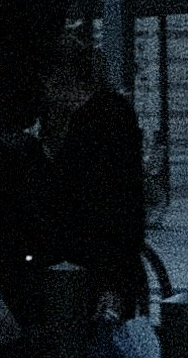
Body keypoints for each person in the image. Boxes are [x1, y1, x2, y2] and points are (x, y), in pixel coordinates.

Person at [36, 31, 153, 319]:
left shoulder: (96, 122)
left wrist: (111, 281)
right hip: (102, 258)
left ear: (60, 78)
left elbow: (110, 202)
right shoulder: (108, 113)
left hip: (97, 259)